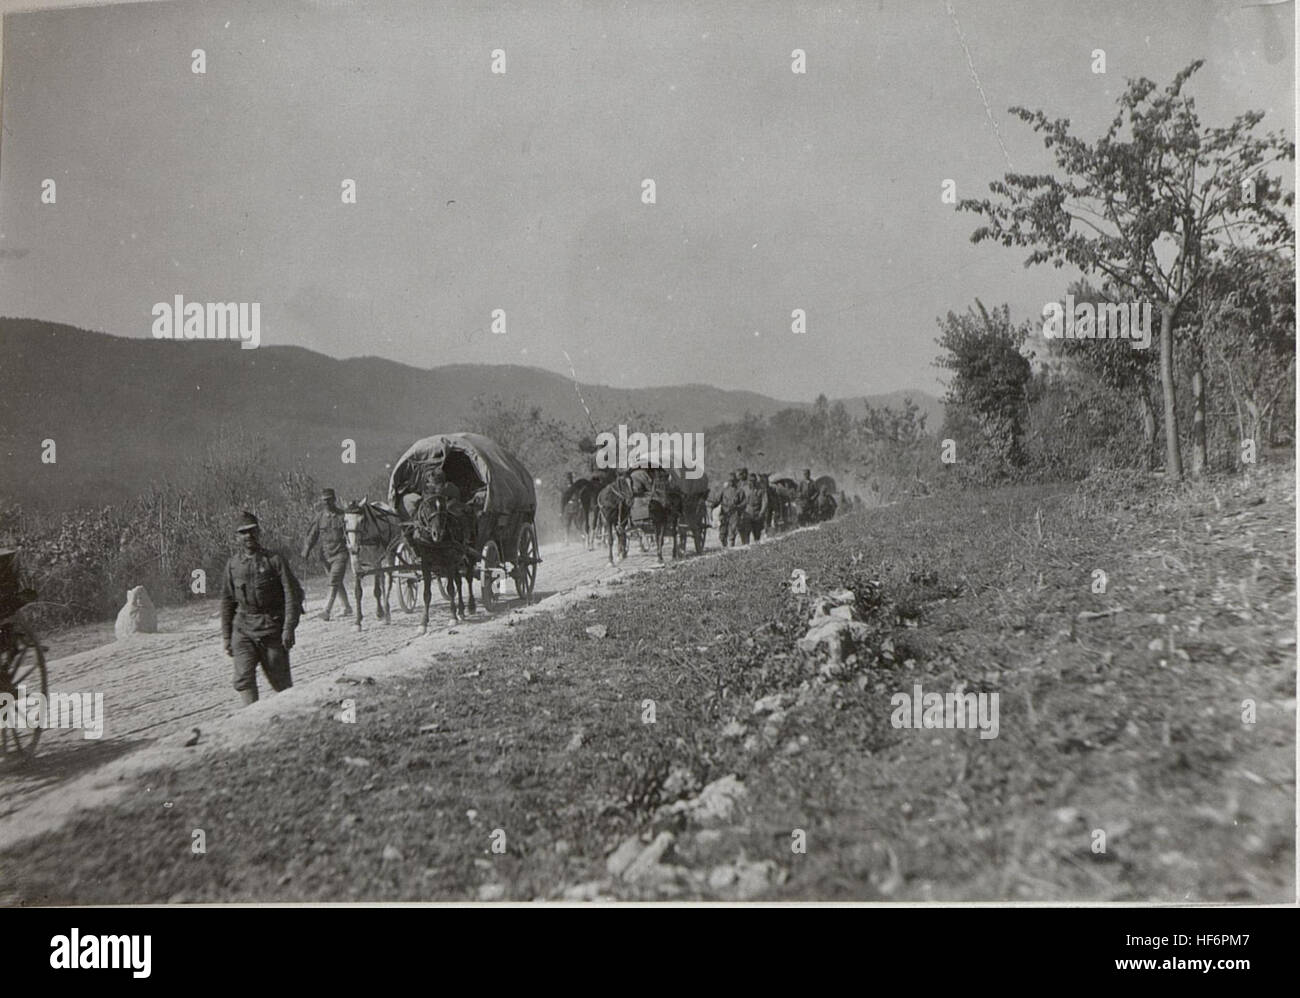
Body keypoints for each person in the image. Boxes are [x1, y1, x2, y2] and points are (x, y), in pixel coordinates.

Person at [222, 512, 302, 706]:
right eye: (243, 533)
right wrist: (227, 636)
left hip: (271, 628)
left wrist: (288, 628)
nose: (248, 536)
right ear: (237, 537)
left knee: (281, 682)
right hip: (243, 630)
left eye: (251, 531)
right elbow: (227, 601)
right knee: (243, 678)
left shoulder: (274, 560)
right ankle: (251, 718)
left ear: (258, 531)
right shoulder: (233, 565)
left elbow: (292, 595)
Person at [301, 488, 352, 621]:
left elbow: (352, 533)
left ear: (334, 500)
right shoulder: (319, 517)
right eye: (324, 500)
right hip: (325, 555)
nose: (327, 502)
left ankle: (326, 610)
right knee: (336, 581)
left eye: (329, 499)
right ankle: (346, 607)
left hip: (340, 553)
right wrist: (306, 549)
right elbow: (312, 535)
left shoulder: (343, 516)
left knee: (333, 580)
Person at [744, 470, 770, 542]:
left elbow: (765, 501)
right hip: (747, 514)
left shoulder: (761, 489)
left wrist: (761, 512)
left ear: (755, 481)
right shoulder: (745, 489)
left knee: (757, 534)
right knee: (746, 533)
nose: (751, 482)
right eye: (750, 481)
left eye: (753, 481)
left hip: (757, 513)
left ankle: (756, 547)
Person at [726, 469, 749, 546]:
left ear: (736, 481)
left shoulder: (740, 491)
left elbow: (744, 502)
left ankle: (745, 547)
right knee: (731, 534)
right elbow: (720, 500)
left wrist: (737, 507)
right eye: (730, 481)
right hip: (728, 514)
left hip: (738, 514)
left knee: (742, 532)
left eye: (732, 481)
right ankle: (731, 548)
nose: (731, 482)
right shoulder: (726, 491)